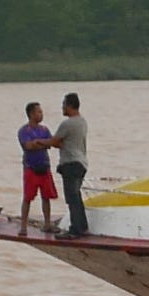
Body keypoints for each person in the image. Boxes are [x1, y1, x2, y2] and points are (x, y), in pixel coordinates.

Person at [15, 101, 60, 235]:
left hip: (44, 166)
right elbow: (28, 146)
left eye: (41, 112)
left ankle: (47, 223)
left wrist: (38, 143)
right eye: (38, 112)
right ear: (31, 114)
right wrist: (42, 143)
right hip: (31, 167)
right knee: (27, 198)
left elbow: (51, 143)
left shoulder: (44, 129)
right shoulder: (24, 131)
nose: (41, 114)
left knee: (46, 197)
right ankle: (23, 226)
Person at [55, 91, 92, 237]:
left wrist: (38, 142)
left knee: (72, 198)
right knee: (76, 196)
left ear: (70, 105)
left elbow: (54, 141)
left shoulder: (67, 123)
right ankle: (82, 226)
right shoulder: (82, 121)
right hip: (82, 163)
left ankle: (75, 230)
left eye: (64, 104)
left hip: (70, 163)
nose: (62, 107)